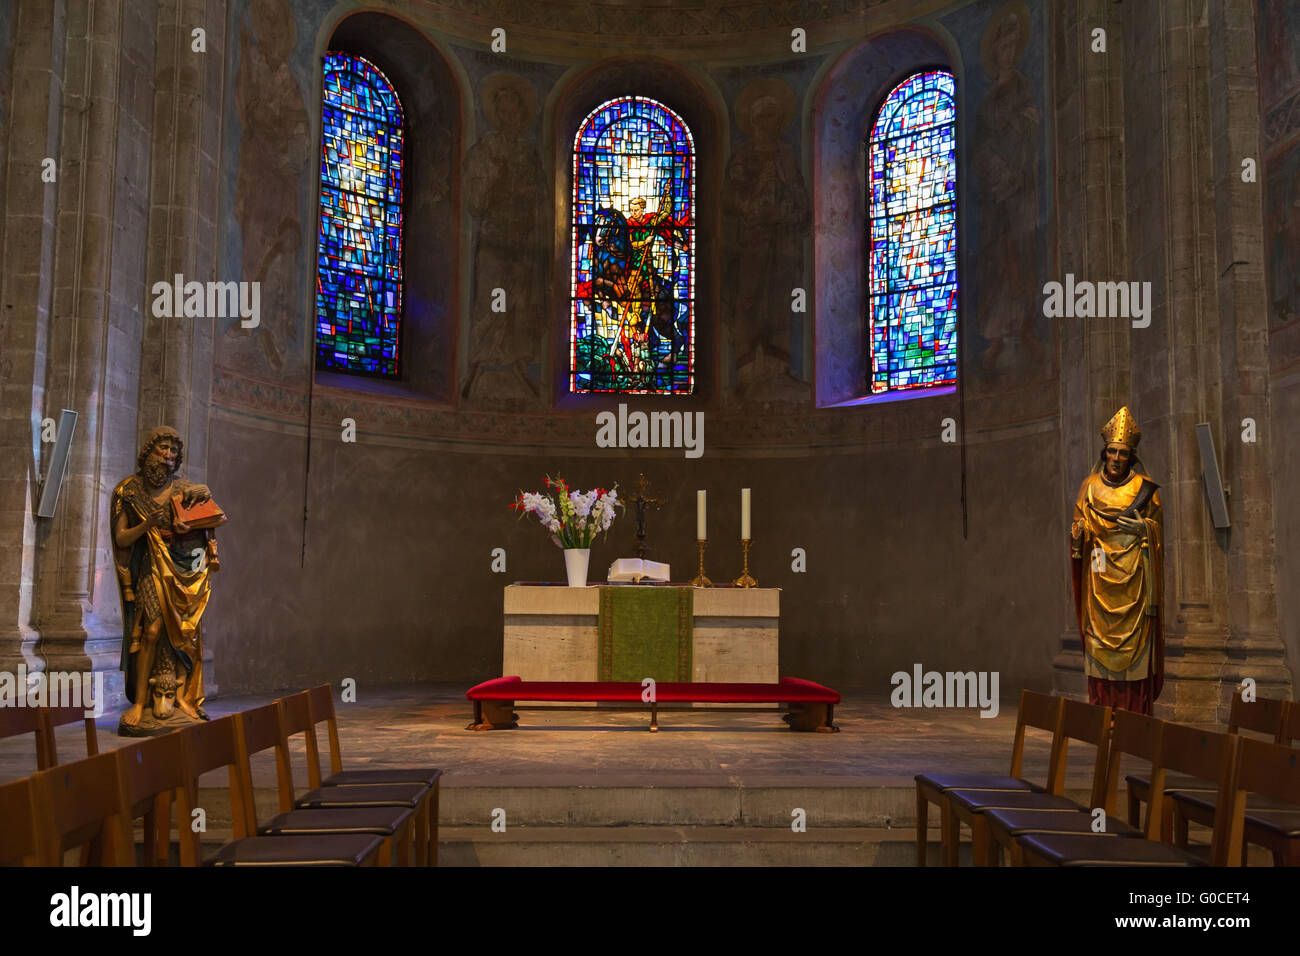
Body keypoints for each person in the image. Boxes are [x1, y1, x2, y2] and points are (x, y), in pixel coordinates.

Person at [111, 427, 222, 727]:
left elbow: (206, 517)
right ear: (149, 452)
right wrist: (146, 525)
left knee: (184, 632)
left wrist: (190, 526)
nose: (169, 455)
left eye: (174, 450)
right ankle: (140, 702)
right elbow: (121, 539)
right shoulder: (130, 490)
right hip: (149, 565)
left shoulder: (181, 488)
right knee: (151, 629)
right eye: (163, 447)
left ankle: (181, 696)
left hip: (181, 568)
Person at [1069, 407, 1164, 714]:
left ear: (1131, 455)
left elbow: (1158, 532)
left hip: (1134, 581)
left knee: (1135, 651)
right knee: (1100, 648)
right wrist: (1078, 534)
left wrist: (1145, 529)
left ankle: (1134, 716)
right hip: (1099, 581)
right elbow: (1078, 531)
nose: (1116, 458)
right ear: (1104, 452)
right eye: (1112, 451)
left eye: (1123, 453)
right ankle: (1103, 713)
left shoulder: (1143, 488)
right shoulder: (1089, 486)